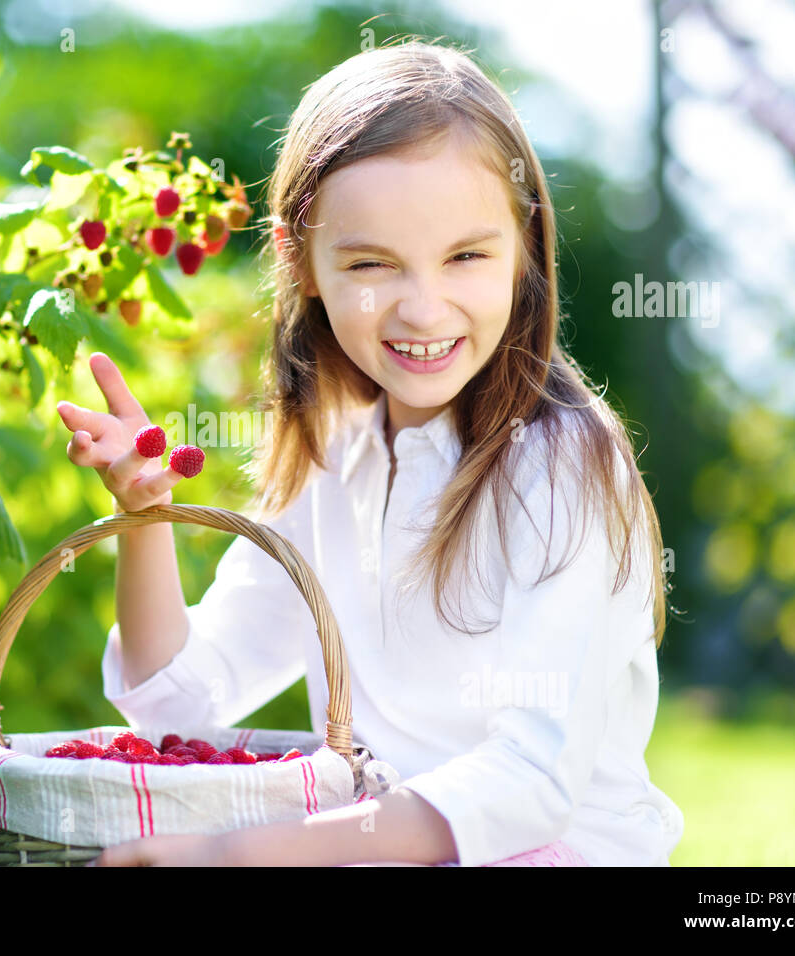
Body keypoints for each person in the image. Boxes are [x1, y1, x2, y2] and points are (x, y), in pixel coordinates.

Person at [57, 38, 684, 867]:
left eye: (466, 255)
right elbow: (183, 706)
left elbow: (529, 783)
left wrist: (235, 854)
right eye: (370, 264)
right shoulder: (333, 457)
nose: (425, 309)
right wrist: (144, 520)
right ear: (298, 259)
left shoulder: (560, 462)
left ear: (525, 243)